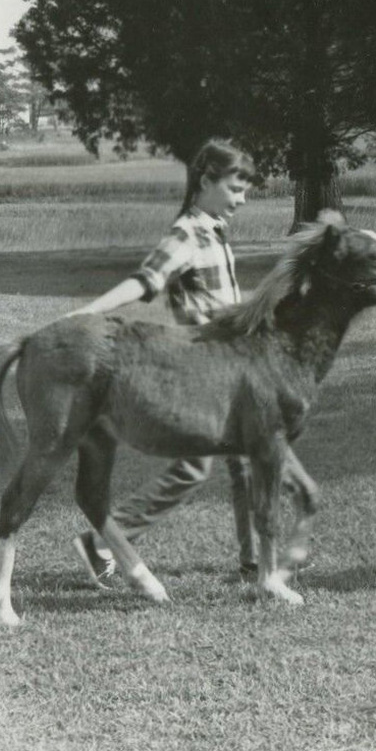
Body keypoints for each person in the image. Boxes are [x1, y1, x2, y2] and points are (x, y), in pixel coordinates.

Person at [67, 138, 259, 588]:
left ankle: (255, 561)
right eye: (235, 189)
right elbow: (145, 281)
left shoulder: (213, 229)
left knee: (245, 460)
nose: (242, 199)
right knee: (197, 466)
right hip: (201, 372)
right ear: (206, 181)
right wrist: (90, 311)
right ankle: (101, 544)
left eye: (245, 191)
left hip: (229, 367)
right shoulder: (187, 234)